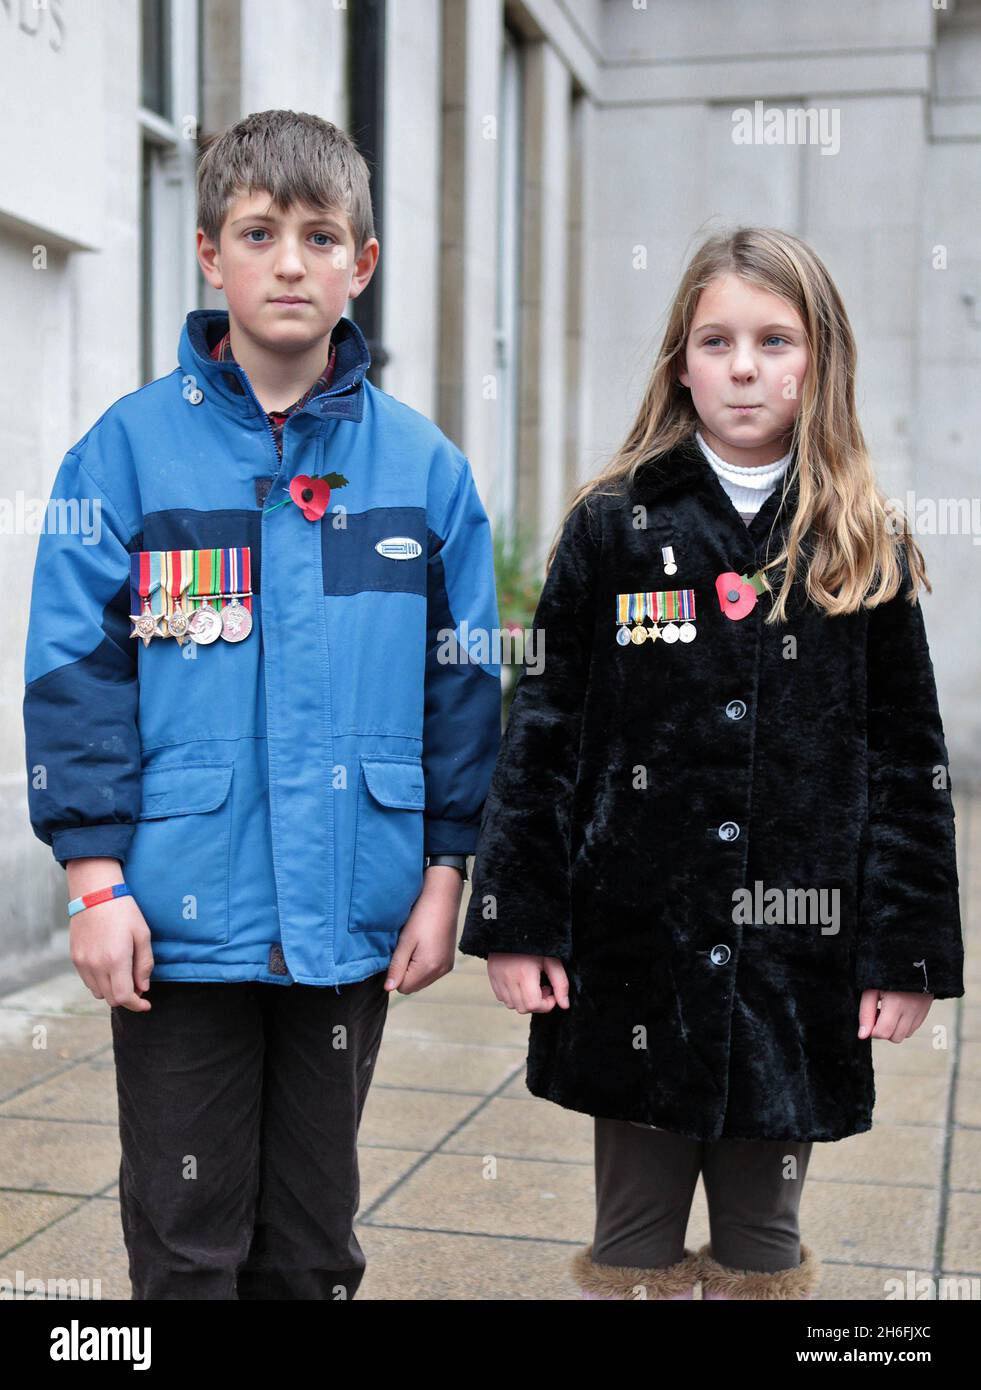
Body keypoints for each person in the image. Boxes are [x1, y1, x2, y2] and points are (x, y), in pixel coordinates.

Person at [23, 108, 502, 1300]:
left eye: (321, 235)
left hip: (353, 915)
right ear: (208, 254)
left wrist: (449, 874)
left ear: (363, 264)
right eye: (258, 231)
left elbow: (466, 682)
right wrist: (95, 885)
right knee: (187, 1237)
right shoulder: (125, 455)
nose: (290, 261)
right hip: (178, 920)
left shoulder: (425, 472)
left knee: (313, 1239)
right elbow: (73, 677)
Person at [459, 226, 964, 1301]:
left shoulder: (859, 541)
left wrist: (904, 950)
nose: (745, 366)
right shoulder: (614, 527)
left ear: (820, 358)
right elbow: (543, 732)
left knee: (762, 1244)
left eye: (775, 341)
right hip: (632, 952)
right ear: (680, 361)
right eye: (718, 340)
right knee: (632, 1238)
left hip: (798, 966)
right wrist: (519, 922)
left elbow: (907, 761)